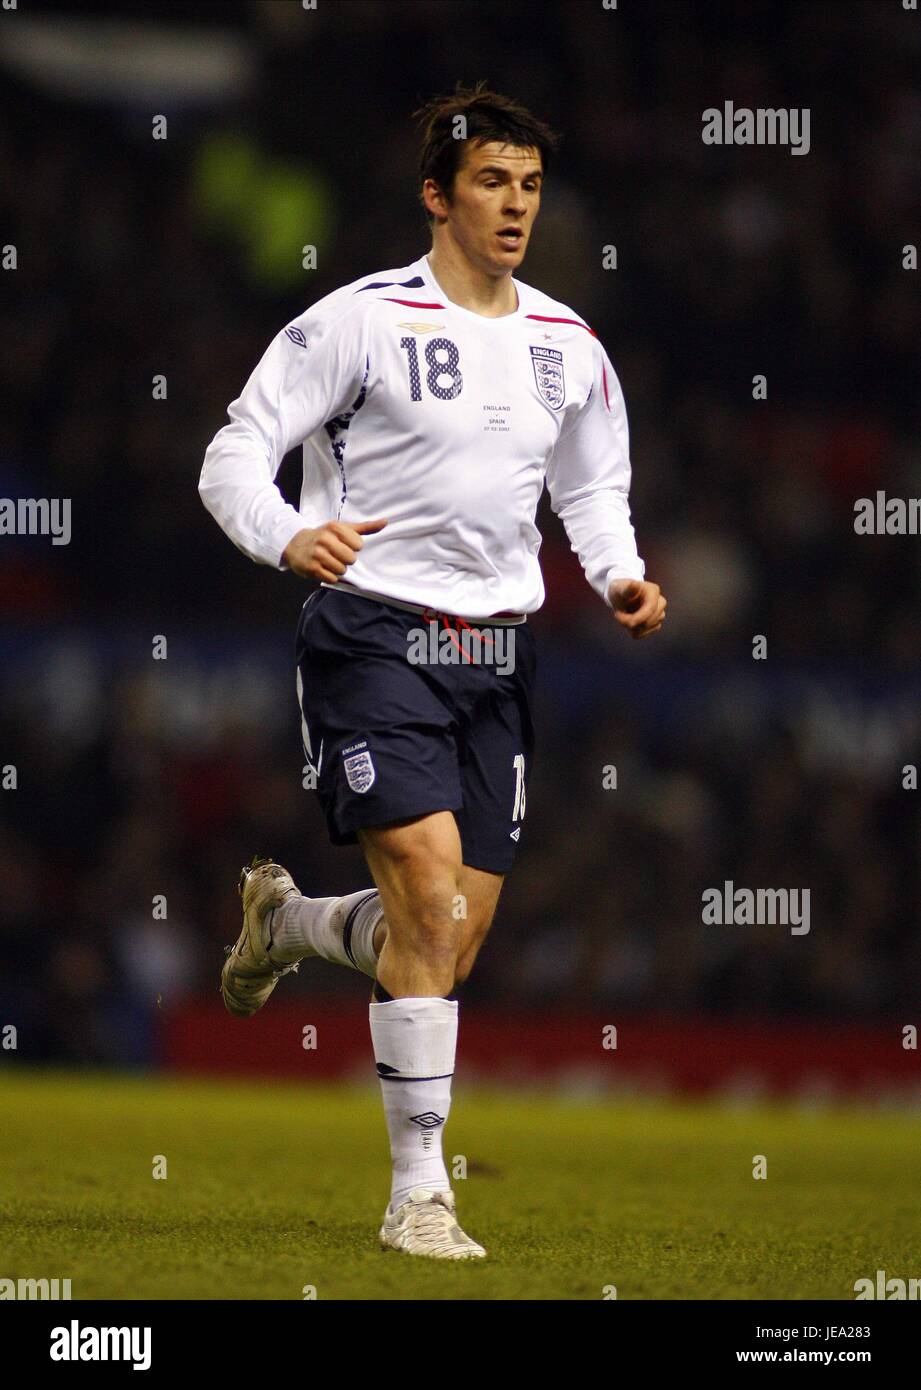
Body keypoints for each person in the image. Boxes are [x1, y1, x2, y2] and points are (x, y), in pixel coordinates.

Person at [198, 81, 666, 1261]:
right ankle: (420, 1196)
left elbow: (590, 489)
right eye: (492, 184)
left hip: (493, 655)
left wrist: (618, 575)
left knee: (446, 937)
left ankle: (289, 922)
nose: (516, 206)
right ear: (437, 197)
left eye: (530, 185)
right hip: (371, 632)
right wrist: (287, 534)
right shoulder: (357, 322)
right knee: (426, 887)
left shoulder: (569, 345)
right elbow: (233, 453)